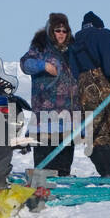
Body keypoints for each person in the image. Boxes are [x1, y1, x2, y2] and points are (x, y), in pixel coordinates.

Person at [20, 13, 80, 176]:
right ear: (50, 31)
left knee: (64, 163)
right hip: (45, 114)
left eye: (64, 31)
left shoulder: (74, 49)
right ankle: (40, 189)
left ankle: (63, 186)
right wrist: (43, 65)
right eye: (57, 30)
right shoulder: (40, 47)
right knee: (44, 160)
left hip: (69, 114)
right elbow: (25, 64)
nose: (61, 34)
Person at [69, 11, 110, 177]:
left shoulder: (74, 42)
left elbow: (74, 71)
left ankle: (105, 171)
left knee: (95, 131)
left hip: (84, 88)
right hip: (105, 85)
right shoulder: (104, 34)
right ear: (99, 25)